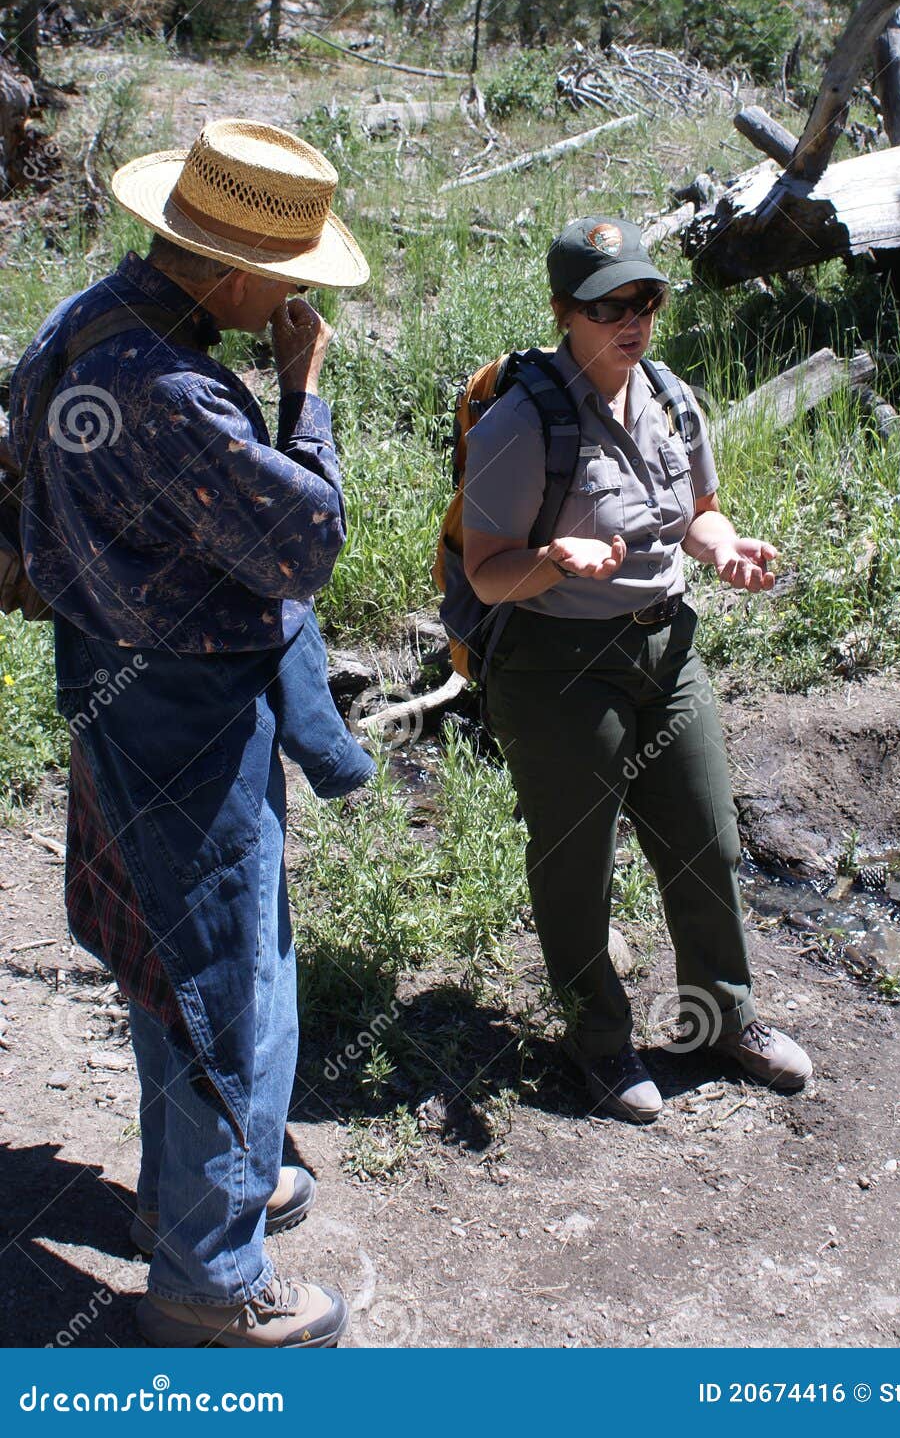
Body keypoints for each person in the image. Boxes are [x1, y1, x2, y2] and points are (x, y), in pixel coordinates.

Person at [7, 118, 374, 1346]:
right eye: (286, 277)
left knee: (176, 964)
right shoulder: (171, 389)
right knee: (228, 978)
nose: (291, 301)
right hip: (188, 715)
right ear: (228, 271)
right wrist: (304, 394)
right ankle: (212, 1279)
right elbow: (306, 538)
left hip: (114, 681)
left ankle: (198, 1193)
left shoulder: (82, 321)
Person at [462, 216, 813, 1124]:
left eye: (646, 300)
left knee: (707, 841)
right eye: (610, 304)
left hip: (668, 648)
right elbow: (486, 570)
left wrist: (725, 548)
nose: (634, 319)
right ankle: (600, 1045)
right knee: (576, 864)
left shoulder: (669, 395)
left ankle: (720, 1022)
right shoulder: (519, 423)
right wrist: (551, 560)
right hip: (558, 665)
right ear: (562, 312)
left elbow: (696, 512)